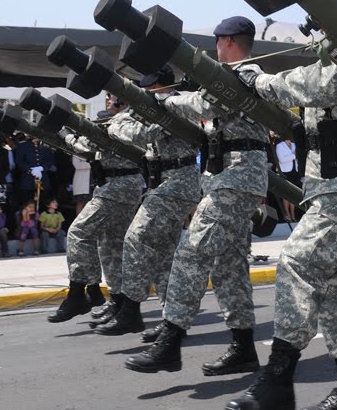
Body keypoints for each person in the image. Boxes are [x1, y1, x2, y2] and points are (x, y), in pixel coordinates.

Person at [225, 0, 337, 410]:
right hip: (331, 178)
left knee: (299, 260)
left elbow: (322, 86)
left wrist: (260, 82)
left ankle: (277, 380)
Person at [125, 20, 268, 377]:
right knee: (228, 266)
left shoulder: (242, 74)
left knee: (192, 251)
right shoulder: (229, 74)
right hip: (230, 176)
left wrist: (169, 99)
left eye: (218, 41)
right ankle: (244, 346)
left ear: (229, 41)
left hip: (238, 176)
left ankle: (171, 342)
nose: (215, 47)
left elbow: (203, 105)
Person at [95, 67, 201, 342]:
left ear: (159, 88)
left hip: (179, 181)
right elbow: (121, 131)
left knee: (136, 237)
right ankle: (171, 322)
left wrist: (142, 112)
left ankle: (130, 310)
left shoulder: (176, 105)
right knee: (164, 257)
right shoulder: (151, 108)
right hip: (162, 182)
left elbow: (140, 134)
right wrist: (131, 112)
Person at [46, 99, 142, 324]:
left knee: (78, 232)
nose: (107, 100)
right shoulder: (115, 121)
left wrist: (63, 130)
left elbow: (84, 147)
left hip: (119, 186)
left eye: (110, 96)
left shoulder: (122, 121)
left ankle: (79, 292)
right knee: (110, 245)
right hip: (116, 184)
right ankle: (117, 301)